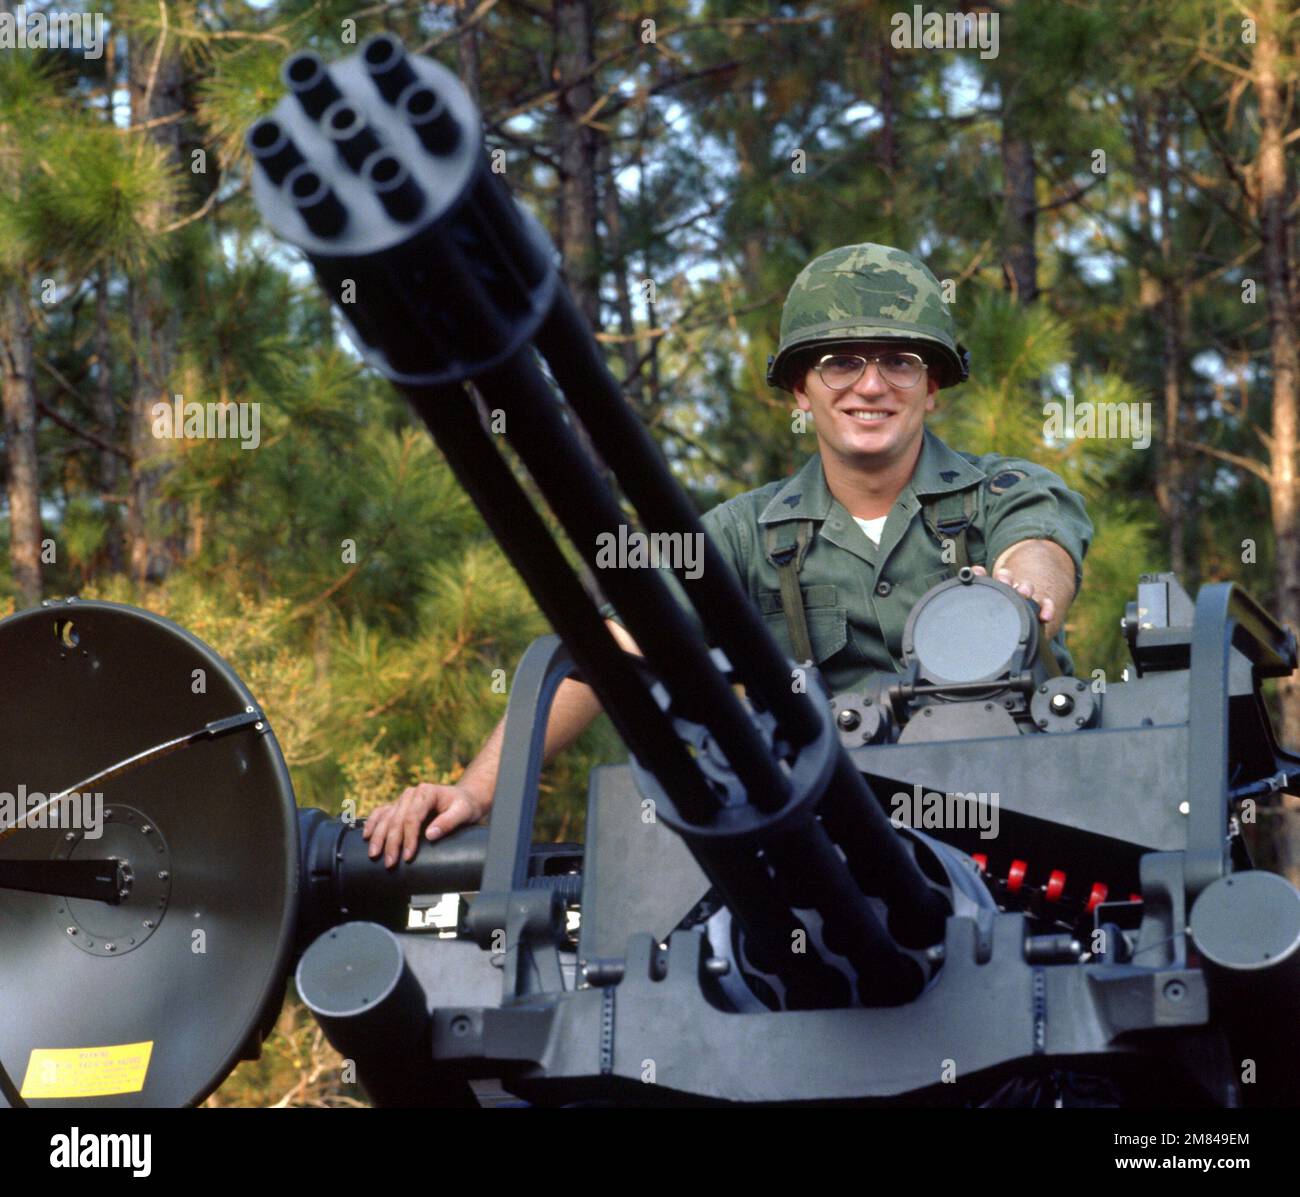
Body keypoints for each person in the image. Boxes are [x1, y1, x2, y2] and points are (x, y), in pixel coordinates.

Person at [363, 242, 1093, 867]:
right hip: (832, 849)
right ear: (797, 393)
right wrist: (477, 791)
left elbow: (1040, 550)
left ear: (932, 387)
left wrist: (1020, 596)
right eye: (840, 362)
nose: (871, 385)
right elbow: (608, 657)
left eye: (899, 361)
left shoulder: (1005, 491)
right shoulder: (741, 535)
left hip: (1019, 818)